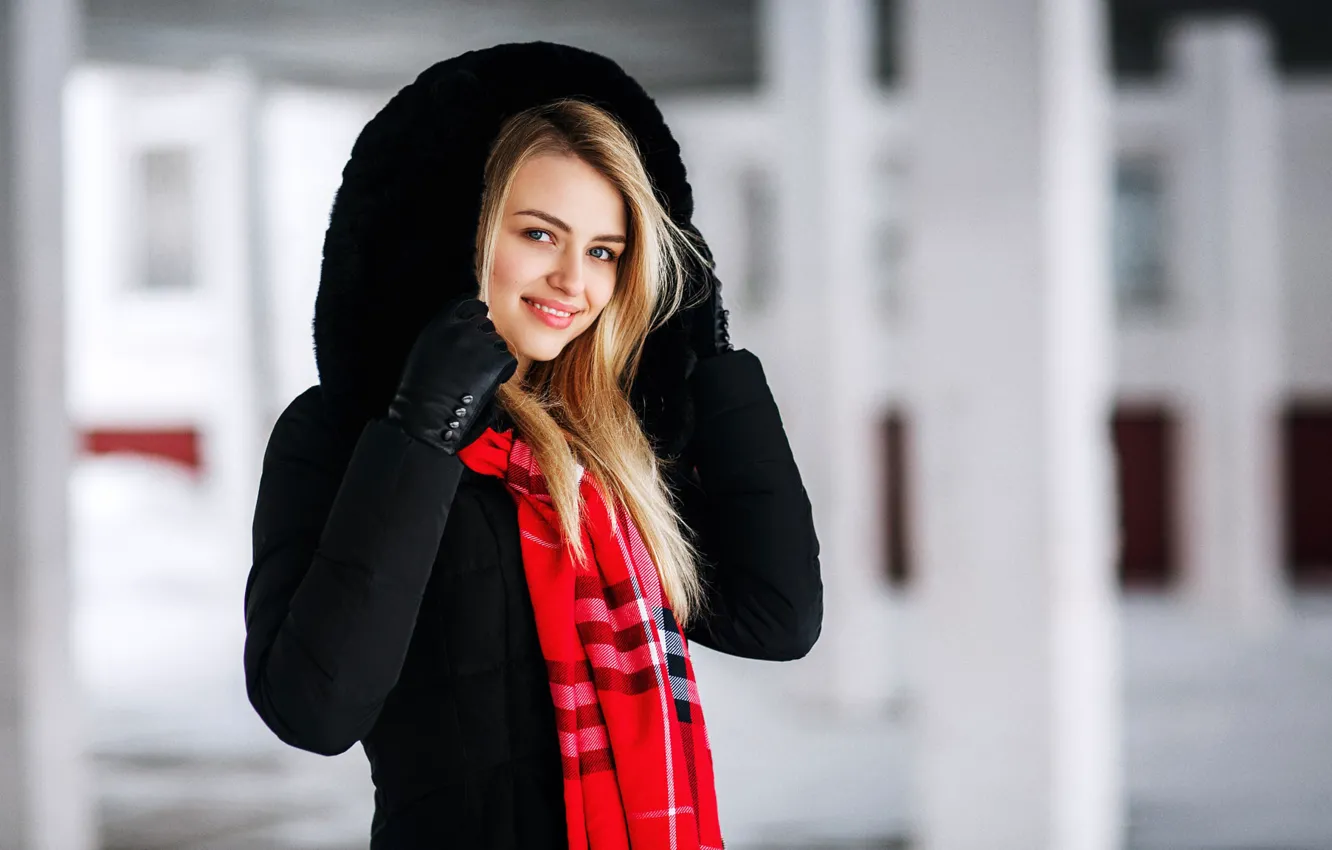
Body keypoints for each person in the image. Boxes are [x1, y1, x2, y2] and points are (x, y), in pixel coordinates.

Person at [244, 42, 822, 850]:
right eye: (540, 234)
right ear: (467, 235)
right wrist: (422, 432)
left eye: (602, 252)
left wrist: (714, 359)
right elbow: (313, 709)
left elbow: (778, 618)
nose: (572, 282)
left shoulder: (614, 449)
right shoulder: (340, 436)